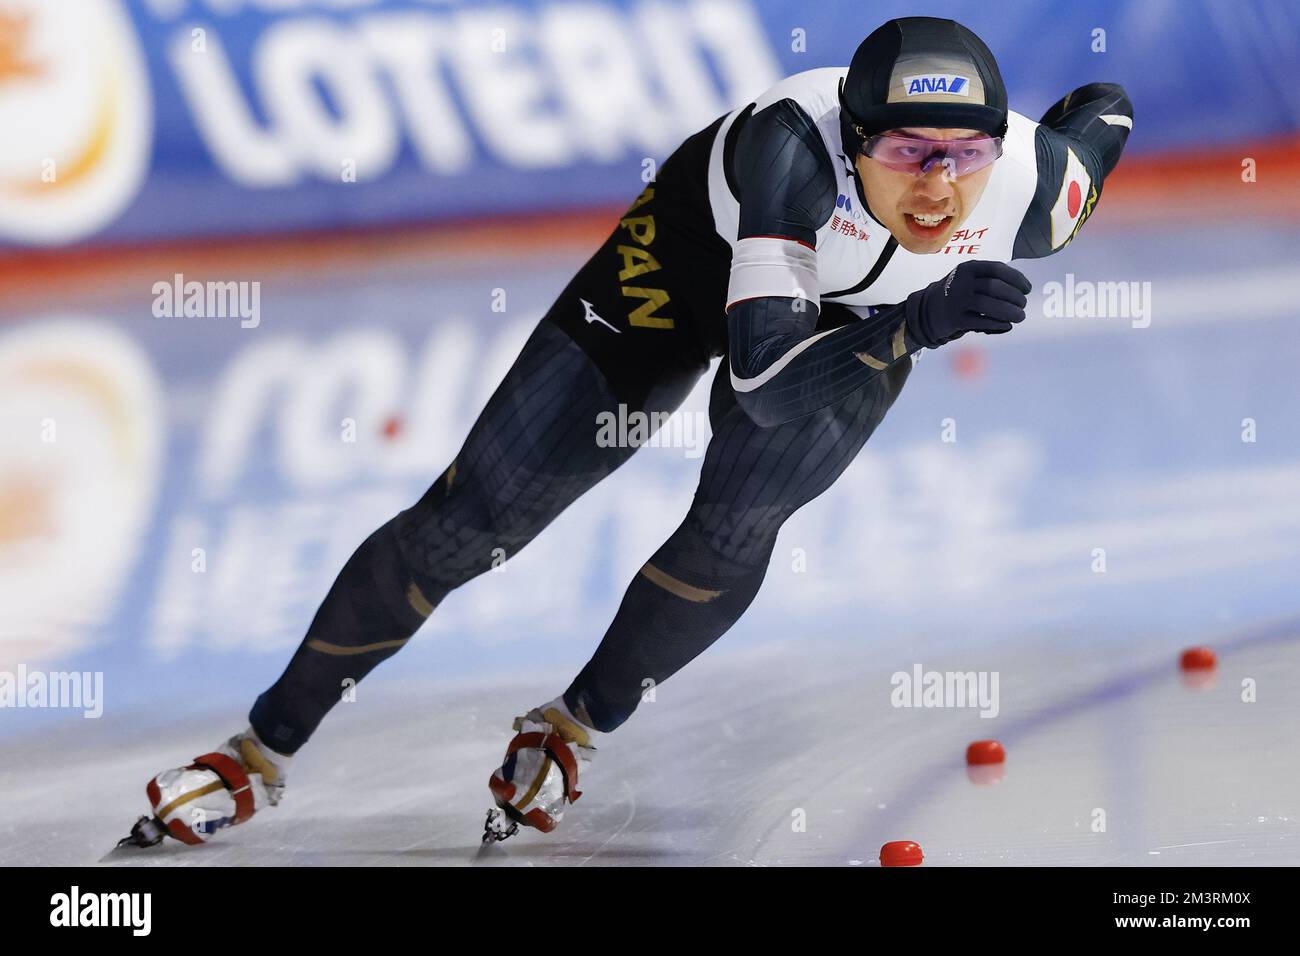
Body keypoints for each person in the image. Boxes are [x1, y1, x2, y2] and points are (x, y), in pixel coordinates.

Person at [124, 16, 1132, 849]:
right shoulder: (789, 152)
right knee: (477, 517)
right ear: (853, 140)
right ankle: (257, 752)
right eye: (907, 153)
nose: (938, 186)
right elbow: (767, 382)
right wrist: (916, 321)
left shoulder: (1036, 191)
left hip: (857, 326)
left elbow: (1101, 121)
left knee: (739, 523)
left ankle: (573, 727)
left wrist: (1088, 120)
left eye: (963, 155)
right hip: (691, 269)